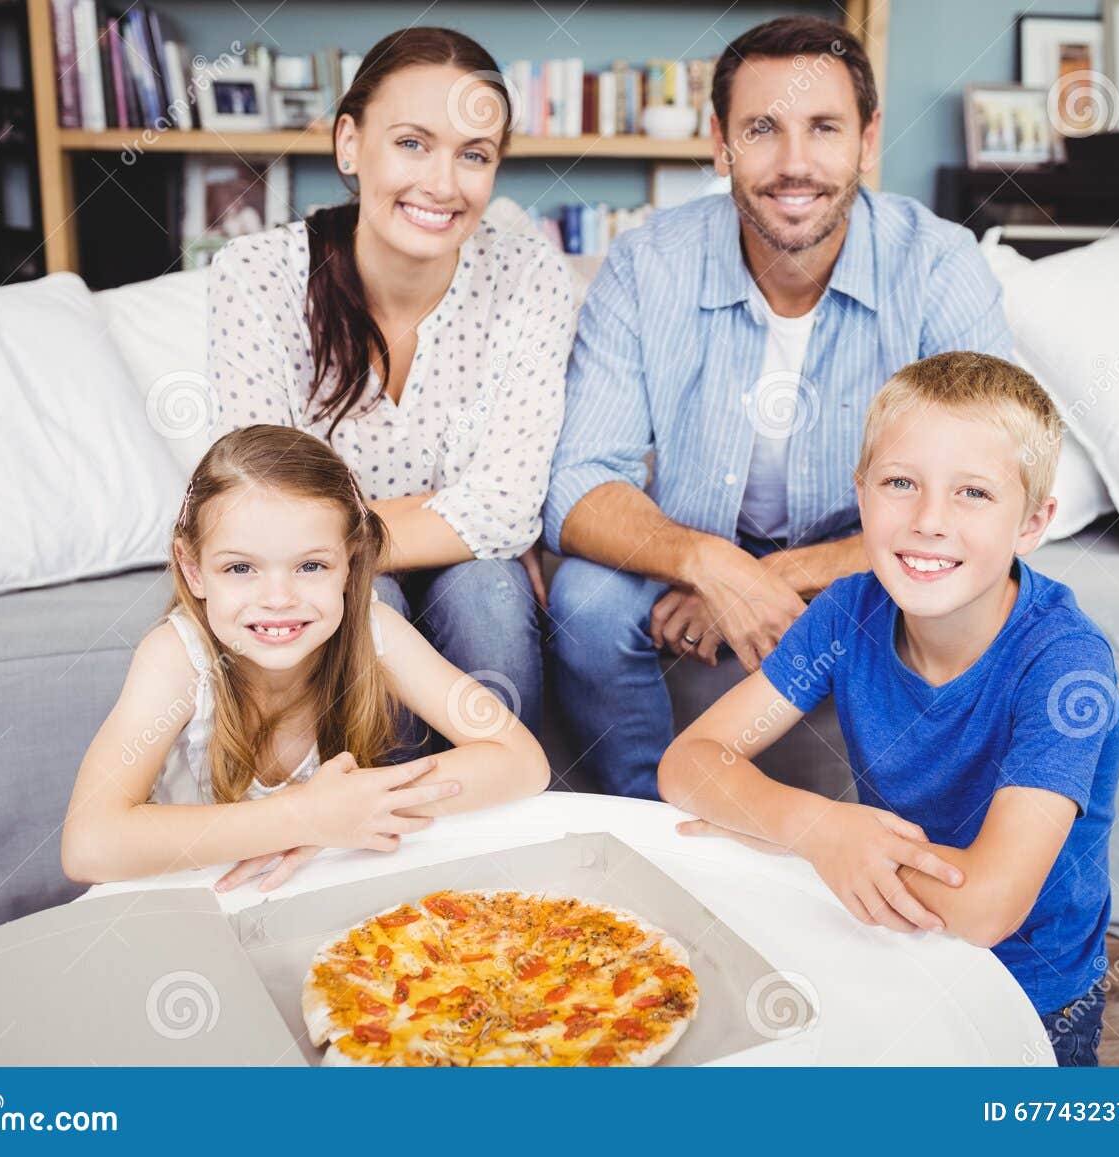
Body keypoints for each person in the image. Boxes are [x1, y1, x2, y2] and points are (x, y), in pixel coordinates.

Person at [544, 15, 1012, 798]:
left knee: (956, 588)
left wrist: (774, 577)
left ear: (867, 141)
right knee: (584, 599)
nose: (795, 164)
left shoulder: (939, 267)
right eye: (762, 129)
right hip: (692, 540)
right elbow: (578, 480)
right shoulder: (646, 264)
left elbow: (985, 492)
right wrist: (707, 563)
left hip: (864, 554)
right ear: (720, 144)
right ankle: (650, 818)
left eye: (824, 128)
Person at [658, 352, 1119, 1066]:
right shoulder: (849, 612)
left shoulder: (1066, 665)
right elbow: (688, 763)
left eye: (973, 492)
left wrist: (795, 843)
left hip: (1029, 995)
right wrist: (816, 827)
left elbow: (986, 906)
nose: (929, 520)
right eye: (901, 483)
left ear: (1032, 523)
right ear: (863, 493)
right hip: (890, 948)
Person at [208, 27, 574, 736]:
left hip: (448, 570)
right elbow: (264, 506)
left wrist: (327, 533)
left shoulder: (530, 276)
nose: (443, 183)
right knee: (371, 602)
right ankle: (387, 809)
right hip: (331, 578)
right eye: (412, 143)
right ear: (349, 143)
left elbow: (507, 509)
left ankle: (511, 798)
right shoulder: (256, 276)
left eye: (474, 155)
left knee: (490, 595)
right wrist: (451, 515)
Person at [62, 425, 550, 892]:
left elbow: (523, 761)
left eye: (310, 565)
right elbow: (87, 844)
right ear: (193, 571)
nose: (278, 598)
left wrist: (352, 810)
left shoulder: (373, 631)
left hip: (304, 896)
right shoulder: (176, 657)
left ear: (351, 565)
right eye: (241, 568)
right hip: (196, 903)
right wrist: (302, 817)